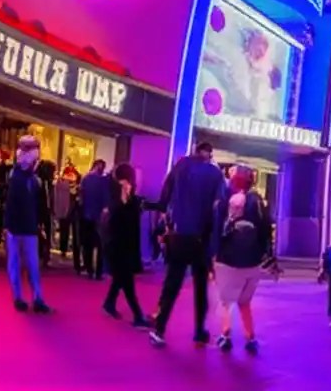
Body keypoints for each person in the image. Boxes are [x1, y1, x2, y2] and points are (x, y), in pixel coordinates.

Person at [150, 142, 226, 348]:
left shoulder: (180, 167)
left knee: (172, 283)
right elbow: (219, 208)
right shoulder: (215, 174)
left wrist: (164, 223)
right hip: (201, 238)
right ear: (209, 154)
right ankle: (199, 330)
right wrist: (215, 245)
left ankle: (159, 328)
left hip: (178, 234)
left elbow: (164, 199)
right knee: (201, 286)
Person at [213, 167, 272, 354]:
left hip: (227, 259)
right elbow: (266, 230)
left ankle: (225, 335)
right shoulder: (257, 202)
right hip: (252, 261)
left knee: (226, 301)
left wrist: (213, 254)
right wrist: (264, 253)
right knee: (245, 302)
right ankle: (250, 337)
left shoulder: (224, 200)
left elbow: (216, 230)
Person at [3, 137, 50, 313]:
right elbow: (12, 203)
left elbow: (37, 205)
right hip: (19, 227)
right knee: (21, 263)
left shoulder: (29, 178)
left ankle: (33, 298)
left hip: (26, 227)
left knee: (27, 263)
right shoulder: (20, 176)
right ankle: (23, 297)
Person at [103, 163, 149, 327]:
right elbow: (119, 220)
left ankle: (109, 303)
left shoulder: (125, 199)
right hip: (119, 246)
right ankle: (137, 315)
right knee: (127, 282)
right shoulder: (118, 198)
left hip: (122, 245)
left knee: (120, 279)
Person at [78, 159, 109, 280]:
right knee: (100, 245)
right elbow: (106, 200)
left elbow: (81, 197)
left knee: (88, 244)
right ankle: (99, 272)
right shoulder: (103, 181)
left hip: (87, 215)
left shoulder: (85, 179)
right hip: (98, 217)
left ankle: (89, 269)